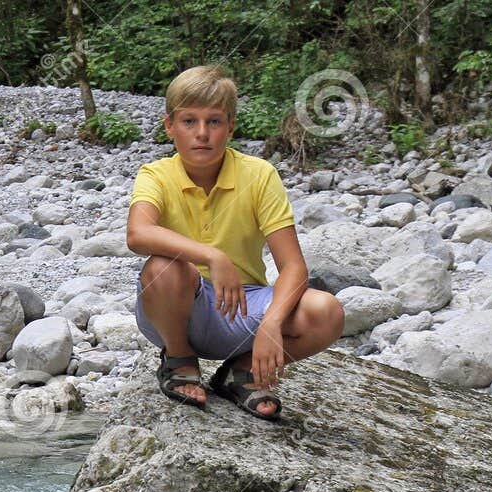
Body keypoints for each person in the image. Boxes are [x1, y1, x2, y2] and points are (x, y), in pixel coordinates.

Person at [126, 64, 344, 421]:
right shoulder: (156, 175)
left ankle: (242, 372)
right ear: (169, 126)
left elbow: (293, 267)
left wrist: (272, 324)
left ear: (231, 126)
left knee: (327, 311)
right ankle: (179, 361)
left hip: (244, 309)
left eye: (214, 122)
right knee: (163, 266)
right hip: (175, 309)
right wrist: (213, 257)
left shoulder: (259, 175)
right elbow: (138, 234)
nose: (202, 133)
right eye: (188, 121)